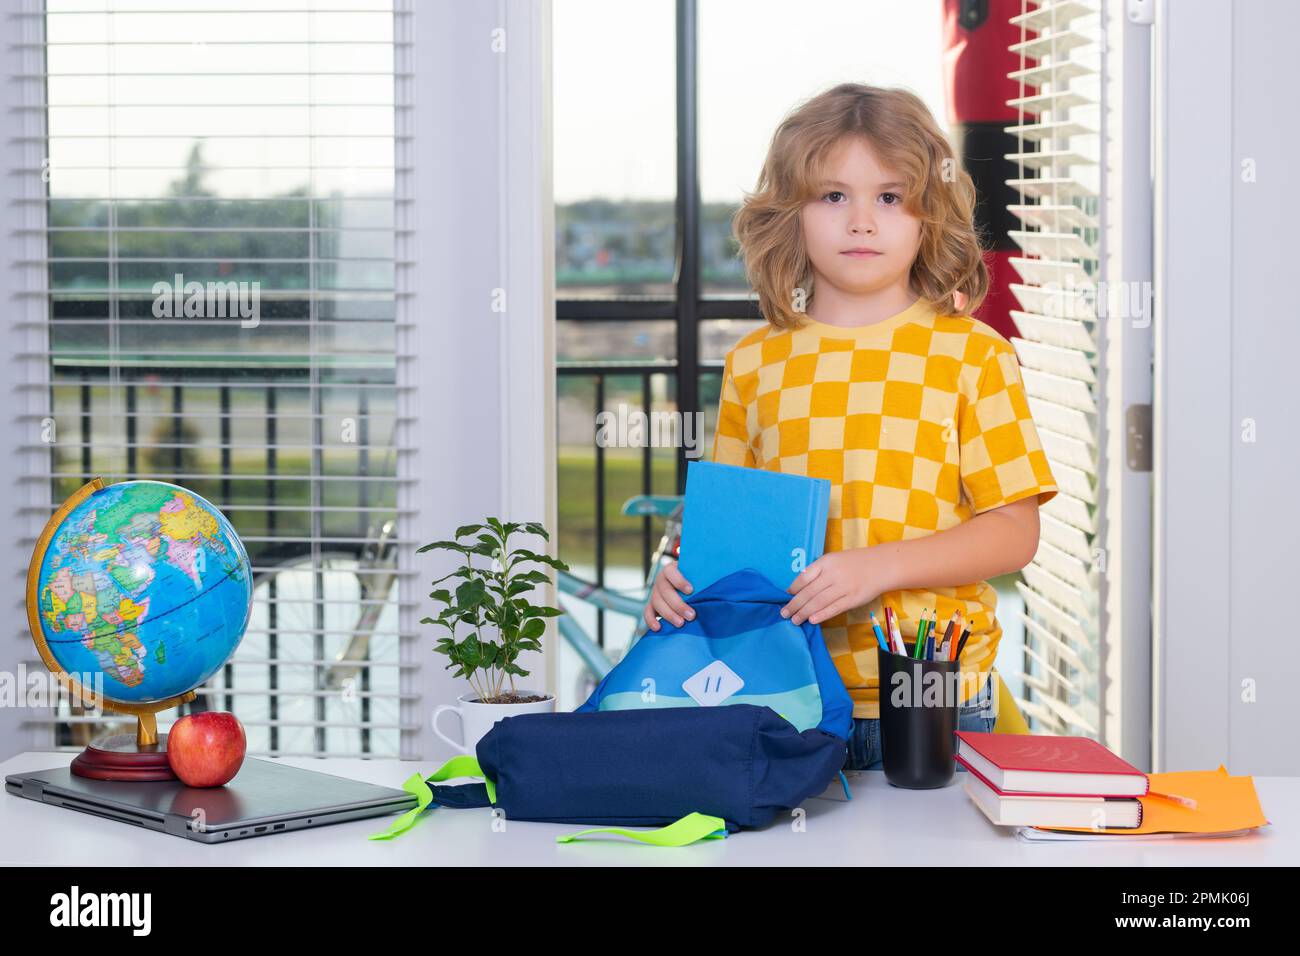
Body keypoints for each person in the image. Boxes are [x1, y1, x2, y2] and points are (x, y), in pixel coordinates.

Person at [642, 83, 1058, 771]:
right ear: (791, 214)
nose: (862, 221)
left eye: (890, 198)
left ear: (929, 215)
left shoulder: (975, 356)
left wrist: (878, 568)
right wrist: (676, 579)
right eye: (834, 196)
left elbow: (1015, 533)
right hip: (781, 696)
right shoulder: (754, 362)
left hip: (936, 700)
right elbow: (729, 545)